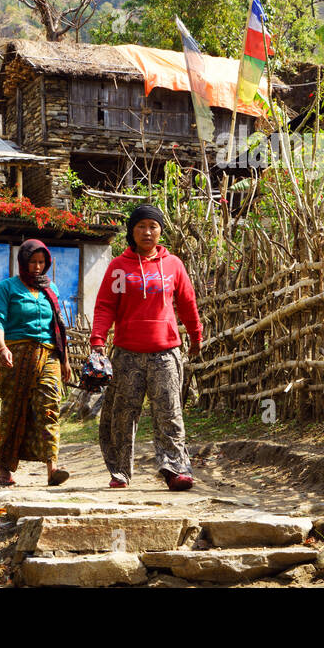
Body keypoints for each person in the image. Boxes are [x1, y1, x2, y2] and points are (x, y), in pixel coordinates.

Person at [91, 203, 202, 491]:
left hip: (165, 352)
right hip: (127, 353)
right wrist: (98, 341)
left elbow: (187, 304)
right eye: (141, 226)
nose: (147, 231)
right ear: (132, 231)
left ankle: (175, 470)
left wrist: (196, 336)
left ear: (161, 230)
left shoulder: (173, 265)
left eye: (152, 226)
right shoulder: (119, 267)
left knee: (169, 412)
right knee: (123, 414)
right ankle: (120, 472)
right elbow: (105, 306)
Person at [0, 239, 72, 486]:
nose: (37, 267)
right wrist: (2, 347)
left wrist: (65, 360)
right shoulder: (7, 287)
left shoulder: (51, 289)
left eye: (41, 262)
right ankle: (5, 469)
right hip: (17, 355)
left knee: (50, 406)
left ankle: (52, 467)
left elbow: (58, 326)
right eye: (32, 262)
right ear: (23, 263)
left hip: (48, 355)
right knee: (13, 409)